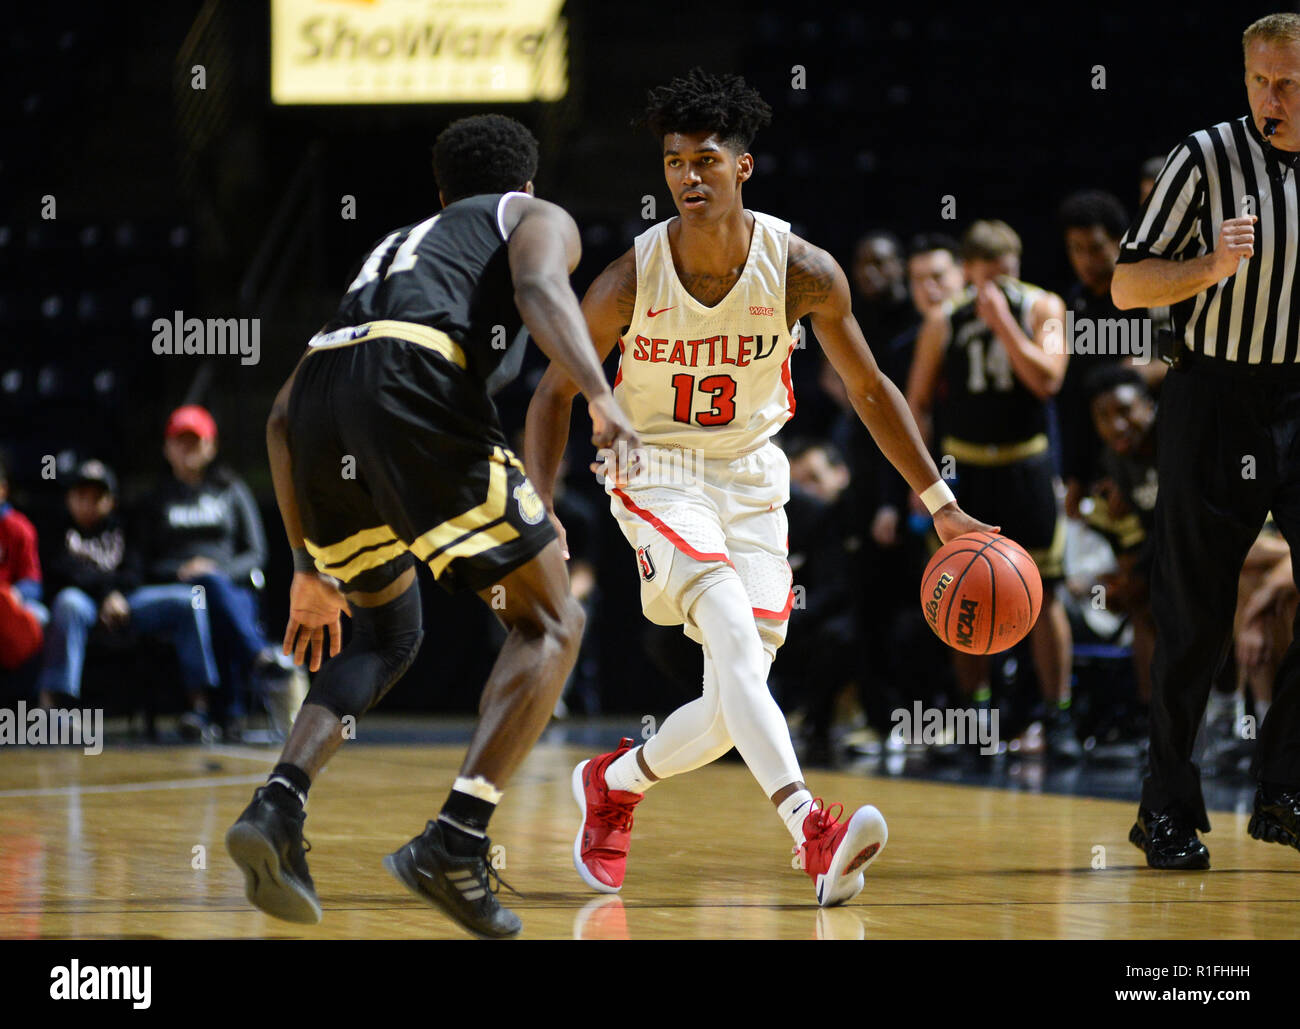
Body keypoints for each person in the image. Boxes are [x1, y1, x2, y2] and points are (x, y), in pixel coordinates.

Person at [525, 69, 993, 906]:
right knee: (733, 636)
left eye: (706, 160)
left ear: (744, 168)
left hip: (751, 472)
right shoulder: (630, 278)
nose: (687, 178)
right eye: (673, 163)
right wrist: (543, 508)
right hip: (655, 467)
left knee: (733, 694)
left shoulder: (801, 269)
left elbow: (873, 390)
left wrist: (941, 504)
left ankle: (616, 780)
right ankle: (812, 828)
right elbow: (553, 392)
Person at [224, 113, 638, 938]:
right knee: (555, 620)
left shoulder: (398, 247)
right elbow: (538, 290)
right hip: (412, 380)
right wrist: (604, 395)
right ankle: (455, 839)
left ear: (441, 192)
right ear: (524, 185)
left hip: (318, 403)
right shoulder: (532, 216)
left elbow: (275, 417)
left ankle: (278, 803)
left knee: (386, 634)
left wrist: (309, 564)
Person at [1112, 13, 1300, 867]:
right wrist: (1207, 269)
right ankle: (1167, 810)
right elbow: (1124, 284)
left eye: (1290, 81)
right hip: (1214, 392)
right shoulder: (1205, 158)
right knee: (1193, 610)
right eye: (1260, 80)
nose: (1272, 98)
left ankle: (1285, 787)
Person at [906, 220, 1080, 762]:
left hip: (1027, 465)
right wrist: (923, 480)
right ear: (969, 272)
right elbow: (916, 404)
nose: (996, 288)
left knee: (1044, 593)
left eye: (1005, 275)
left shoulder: (1044, 308)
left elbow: (1049, 380)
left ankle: (1059, 717)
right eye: (985, 279)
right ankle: (976, 716)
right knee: (961, 590)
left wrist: (1003, 323)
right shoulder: (943, 318)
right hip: (967, 473)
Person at [138, 405, 303, 739]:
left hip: (231, 586)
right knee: (200, 598)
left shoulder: (231, 489)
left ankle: (215, 711)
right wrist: (183, 570)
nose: (188, 449)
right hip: (179, 589)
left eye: (195, 441)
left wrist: (217, 571)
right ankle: (259, 659)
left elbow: (257, 553)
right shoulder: (156, 499)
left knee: (213, 591)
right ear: (167, 448)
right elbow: (144, 561)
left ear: (211, 446)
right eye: (180, 442)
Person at [36, 459, 220, 709]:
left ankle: (201, 706)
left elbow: (136, 569)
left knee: (189, 599)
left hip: (126, 601)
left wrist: (116, 595)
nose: (88, 503)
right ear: (69, 498)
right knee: (68, 603)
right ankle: (59, 707)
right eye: (81, 495)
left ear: (111, 500)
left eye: (97, 496)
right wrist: (105, 595)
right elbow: (64, 572)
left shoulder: (127, 525)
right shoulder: (56, 529)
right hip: (83, 603)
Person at [0, 453, 45, 682]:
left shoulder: (20, 528)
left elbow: (33, 584)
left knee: (39, 618)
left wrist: (13, 595)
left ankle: (40, 704)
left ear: (3, 489)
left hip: (10, 607)